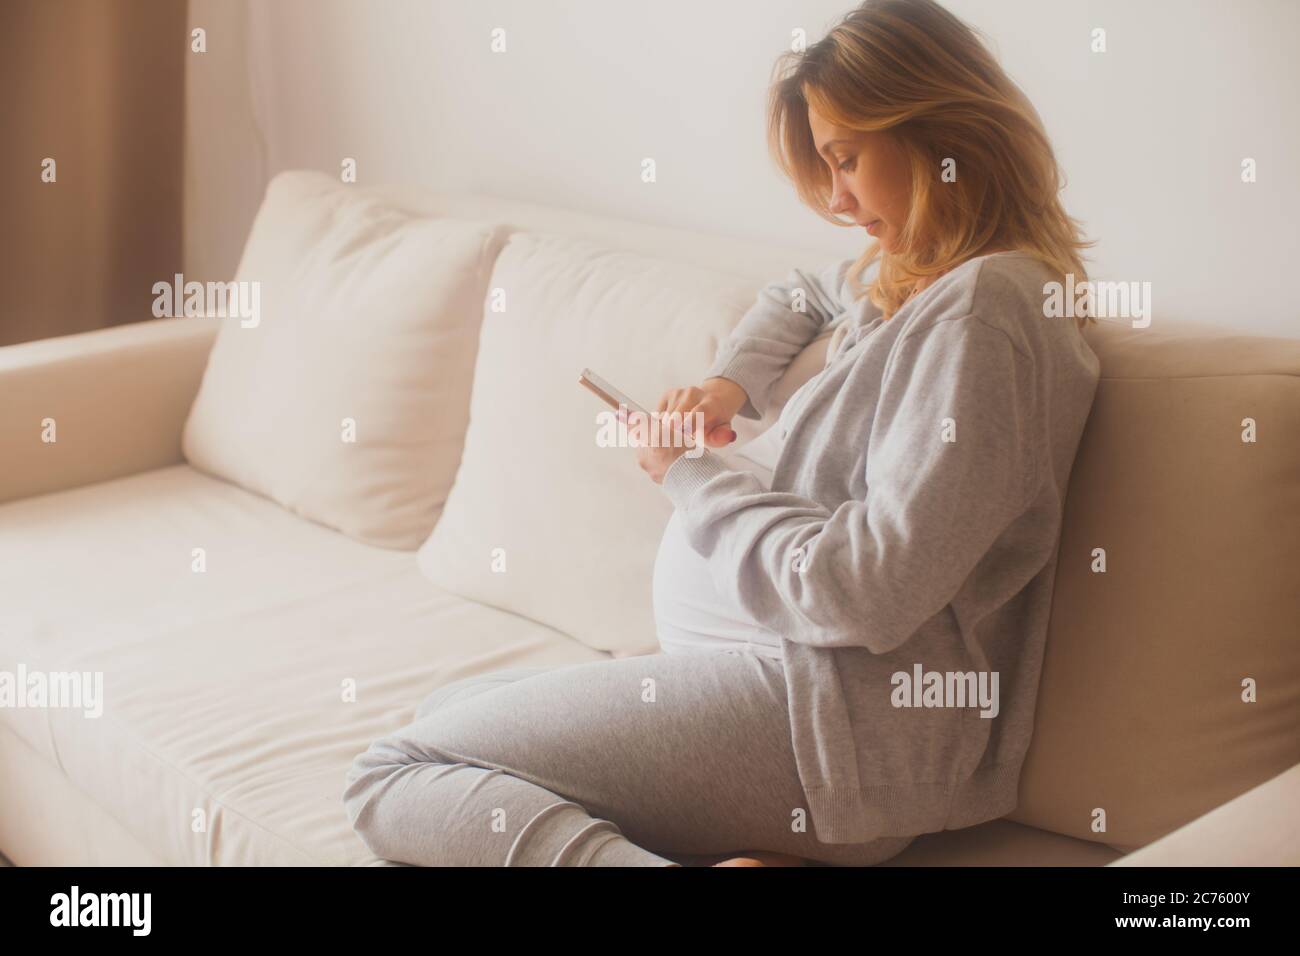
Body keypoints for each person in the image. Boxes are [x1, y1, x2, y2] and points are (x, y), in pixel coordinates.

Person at [343, 0, 1101, 867]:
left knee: (392, 774)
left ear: (935, 133)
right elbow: (802, 293)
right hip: (779, 693)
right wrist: (730, 382)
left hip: (831, 729)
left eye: (846, 160)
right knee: (445, 710)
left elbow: (865, 591)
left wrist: (688, 474)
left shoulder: (986, 311)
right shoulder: (916, 278)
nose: (841, 200)